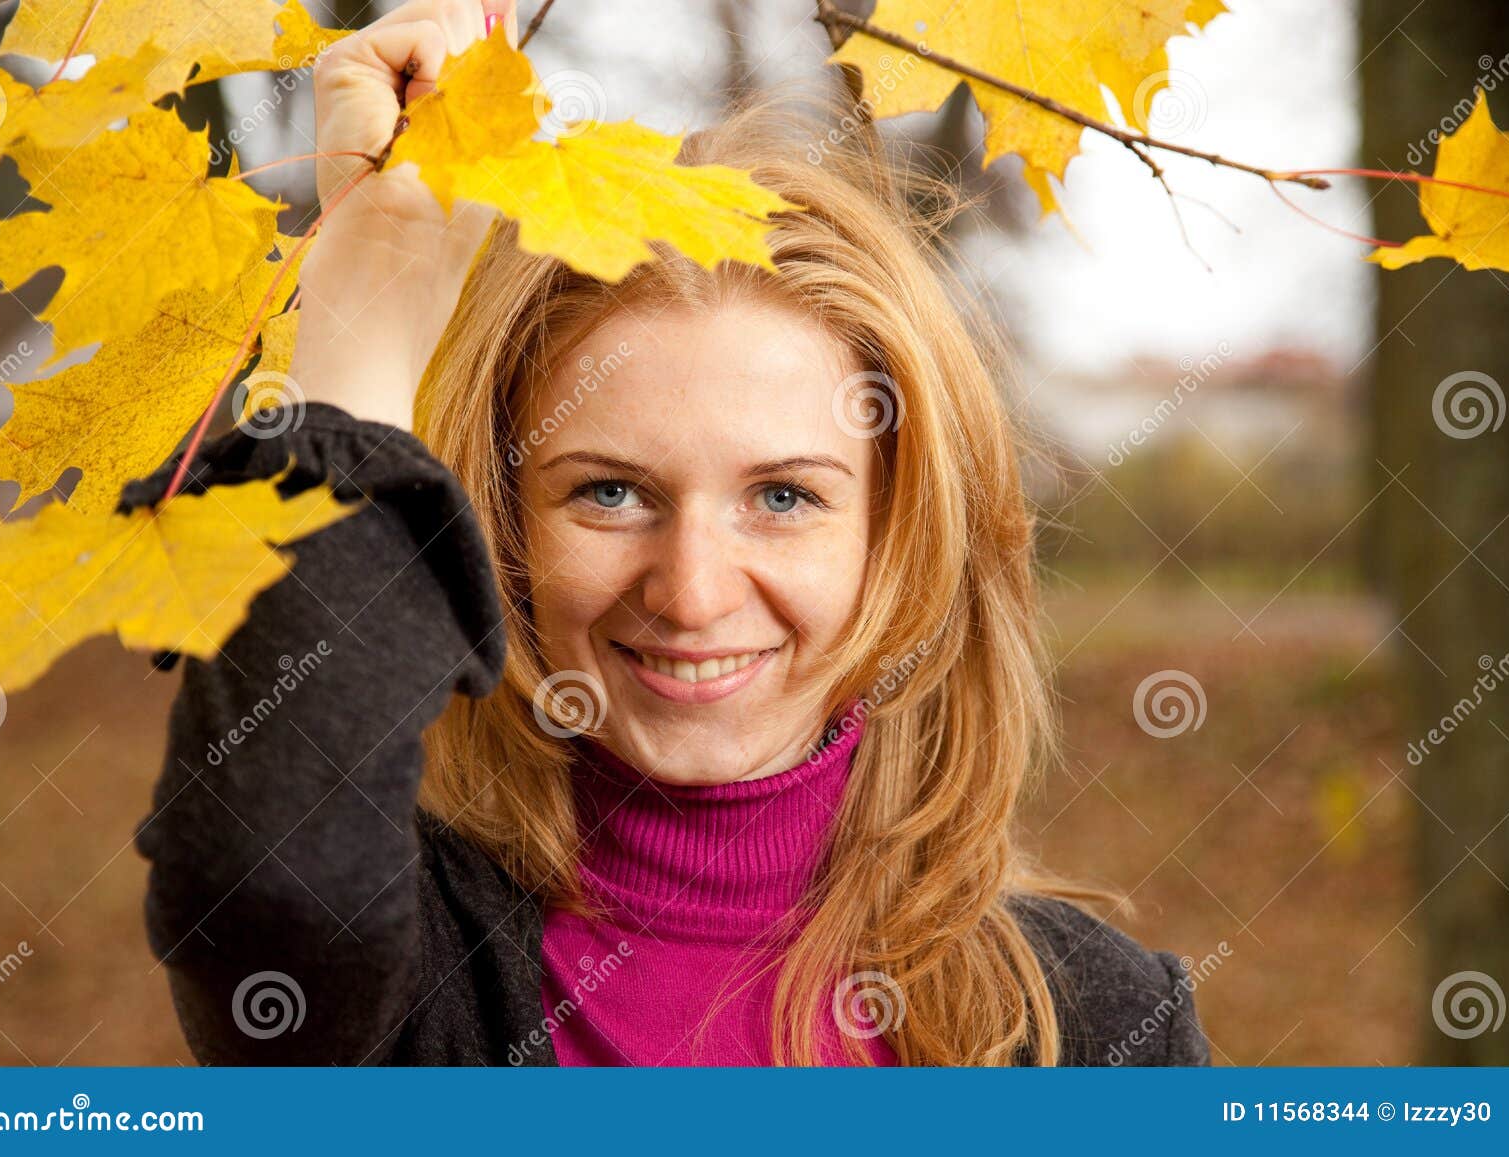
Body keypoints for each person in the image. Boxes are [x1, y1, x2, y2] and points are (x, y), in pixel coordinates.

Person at [126, 0, 1211, 1067]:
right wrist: (375, 286)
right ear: (503, 527)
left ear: (897, 538)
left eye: (783, 498)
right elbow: (272, 882)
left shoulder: (1101, 1030)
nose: (691, 594)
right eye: (610, 493)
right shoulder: (405, 981)